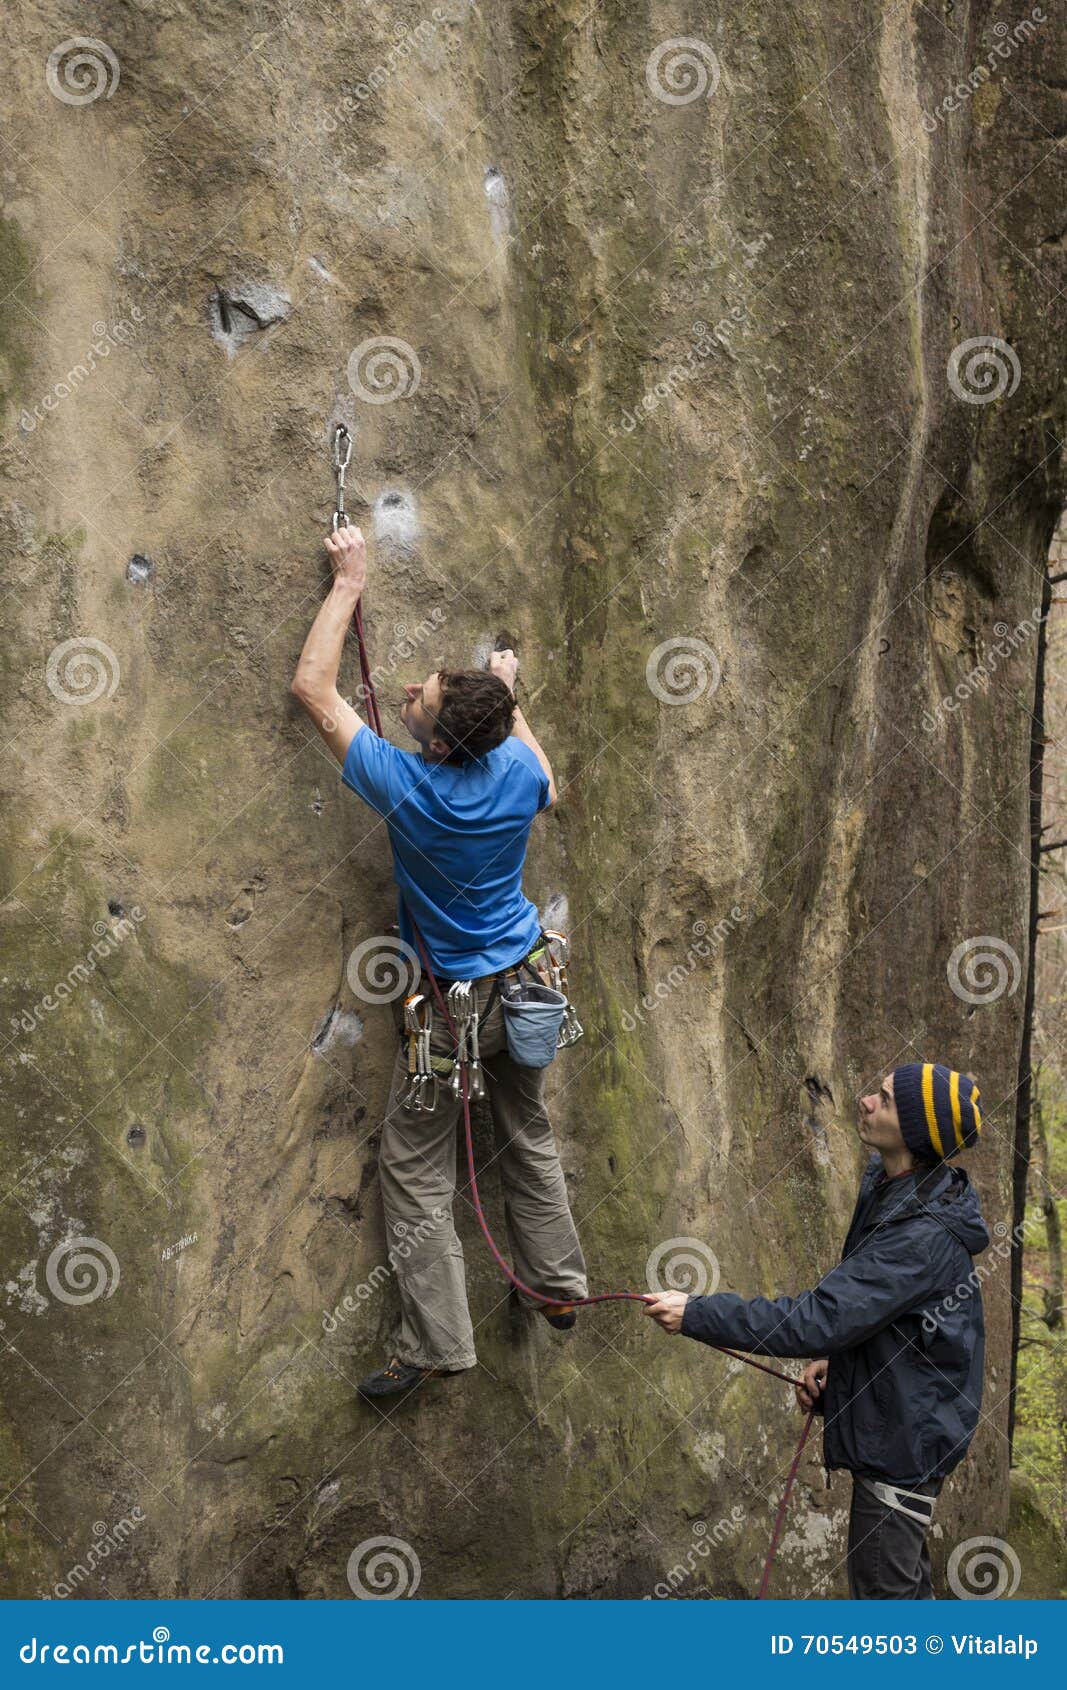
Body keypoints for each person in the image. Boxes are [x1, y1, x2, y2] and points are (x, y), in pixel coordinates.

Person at [291, 523, 588, 1399]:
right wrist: (504, 694)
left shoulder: (409, 788)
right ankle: (558, 1289)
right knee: (524, 1131)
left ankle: (436, 1342)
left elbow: (312, 690)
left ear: (432, 745)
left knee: (415, 1166)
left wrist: (348, 584)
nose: (411, 689)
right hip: (527, 987)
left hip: (453, 1009)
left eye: (417, 698)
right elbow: (544, 775)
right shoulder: (514, 776)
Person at [644, 1062, 989, 1598]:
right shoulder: (891, 1184)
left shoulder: (922, 1235)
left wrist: (696, 1314)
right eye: (876, 1090)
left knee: (886, 1606)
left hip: (906, 1443)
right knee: (900, 1590)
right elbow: (879, 1317)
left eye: (886, 1100)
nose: (866, 1101)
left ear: (916, 1135)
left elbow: (819, 1318)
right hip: (902, 1419)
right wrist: (843, 1367)